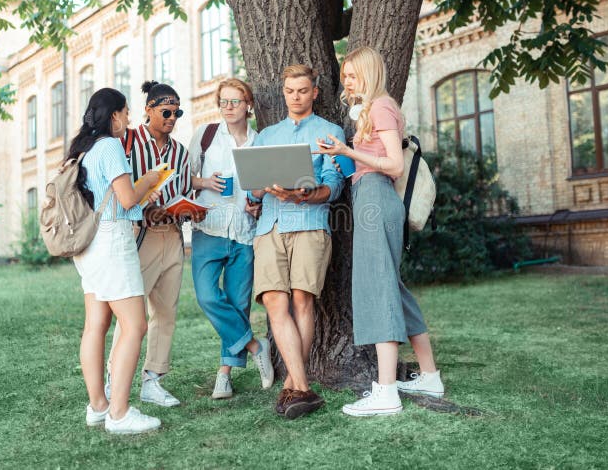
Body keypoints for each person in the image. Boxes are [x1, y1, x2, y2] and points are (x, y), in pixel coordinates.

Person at [315, 46, 444, 417]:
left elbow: (392, 165)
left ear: (369, 73)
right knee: (393, 288)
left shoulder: (381, 107)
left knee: (377, 288)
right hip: (368, 195)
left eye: (353, 75)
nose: (347, 82)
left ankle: (386, 391)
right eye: (345, 76)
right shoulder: (373, 110)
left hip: (376, 197)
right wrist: (343, 157)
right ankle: (430, 375)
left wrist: (349, 152)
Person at [248, 64, 345, 419]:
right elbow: (251, 186)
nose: (296, 97)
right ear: (284, 92)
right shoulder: (266, 135)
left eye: (303, 90)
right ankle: (303, 388)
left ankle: (293, 384)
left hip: (308, 222)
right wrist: (259, 190)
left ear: (315, 92)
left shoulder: (329, 131)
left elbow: (333, 186)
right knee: (275, 301)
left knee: (302, 301)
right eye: (290, 91)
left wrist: (305, 193)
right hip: (270, 225)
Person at [69, 88, 163, 434]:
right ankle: (120, 413)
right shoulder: (109, 146)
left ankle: (98, 405)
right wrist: (148, 181)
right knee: (135, 325)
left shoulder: (82, 149)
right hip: (110, 241)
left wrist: (138, 194)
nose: (128, 118)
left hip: (89, 244)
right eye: (125, 112)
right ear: (114, 115)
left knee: (96, 325)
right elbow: (125, 199)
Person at [107, 80, 196, 408]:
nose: (172, 117)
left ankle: (152, 380)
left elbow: (185, 189)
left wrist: (188, 210)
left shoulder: (180, 152)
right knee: (131, 314)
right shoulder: (126, 141)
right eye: (166, 111)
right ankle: (113, 378)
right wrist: (146, 208)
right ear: (149, 109)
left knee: (165, 311)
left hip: (172, 236)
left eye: (177, 112)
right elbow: (116, 187)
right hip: (139, 236)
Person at [188, 78, 274, 399]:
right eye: (223, 101)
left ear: (248, 104)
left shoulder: (259, 142)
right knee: (208, 297)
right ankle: (255, 345)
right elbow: (187, 179)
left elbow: (263, 188)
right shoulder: (206, 136)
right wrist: (205, 182)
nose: (228, 107)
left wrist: (258, 205)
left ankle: (224, 375)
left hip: (244, 233)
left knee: (238, 304)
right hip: (208, 228)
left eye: (235, 101)